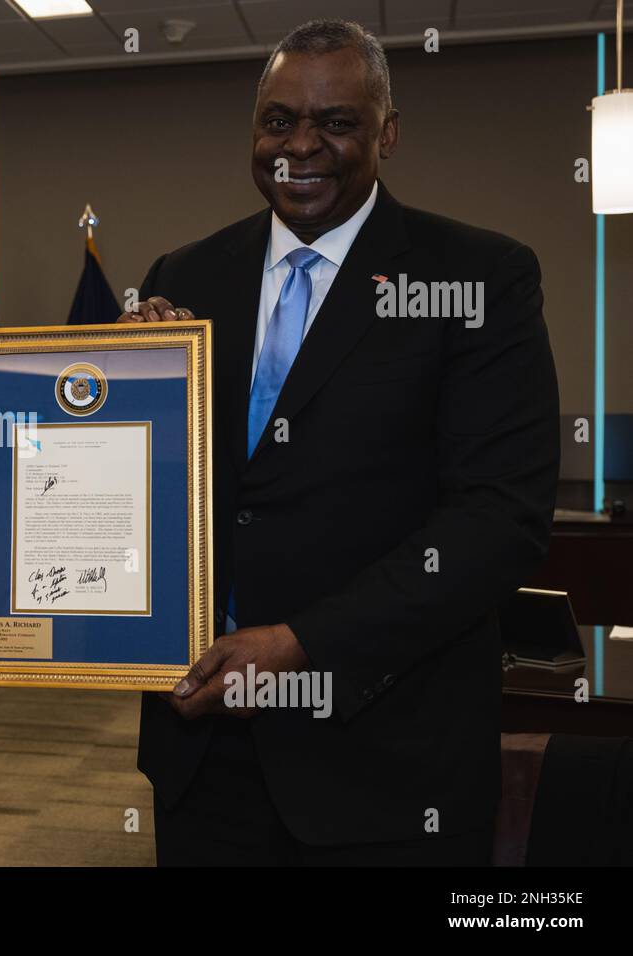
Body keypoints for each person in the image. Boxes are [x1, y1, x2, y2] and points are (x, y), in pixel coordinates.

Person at [123, 20, 559, 865]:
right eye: (279, 120)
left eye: (338, 122)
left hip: (386, 766)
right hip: (202, 758)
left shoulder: (477, 278)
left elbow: (499, 519)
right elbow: (156, 491)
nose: (302, 145)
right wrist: (122, 392)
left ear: (387, 133)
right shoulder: (184, 277)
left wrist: (305, 647)